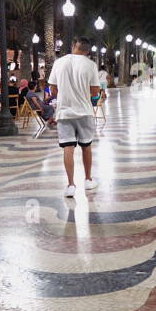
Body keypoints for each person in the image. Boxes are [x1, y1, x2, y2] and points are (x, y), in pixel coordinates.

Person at [48, 36, 101, 197]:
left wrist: (64, 93)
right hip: (84, 112)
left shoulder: (59, 62)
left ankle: (71, 185)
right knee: (86, 147)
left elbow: (52, 88)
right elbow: (95, 91)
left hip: (64, 112)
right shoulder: (91, 65)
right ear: (87, 50)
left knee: (68, 148)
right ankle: (88, 180)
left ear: (73, 47)